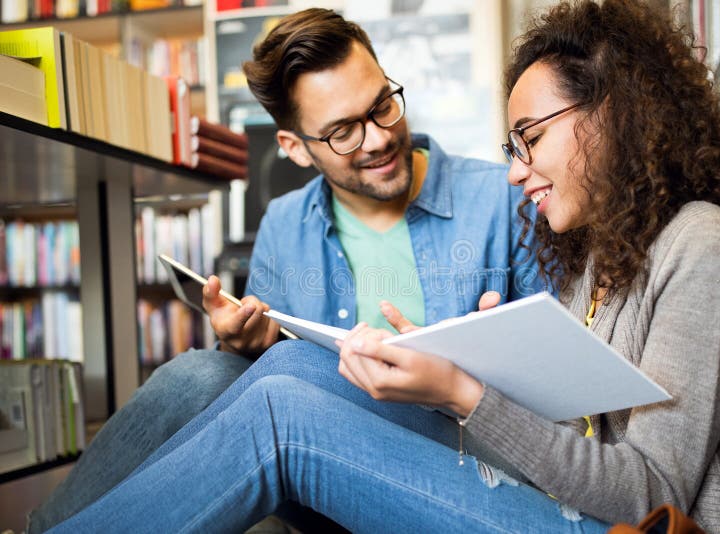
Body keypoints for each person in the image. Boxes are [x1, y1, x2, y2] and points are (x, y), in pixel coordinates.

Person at [48, 0, 720, 532]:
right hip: (558, 493)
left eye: (530, 139)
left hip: (622, 519)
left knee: (281, 414)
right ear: (297, 147)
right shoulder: (606, 250)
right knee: (269, 371)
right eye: (512, 147)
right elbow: (580, 426)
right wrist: (482, 367)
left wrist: (465, 389)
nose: (516, 171)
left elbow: (648, 492)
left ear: (615, 114)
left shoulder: (707, 248)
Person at [27, 9, 542, 532]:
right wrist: (243, 346)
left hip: (462, 466)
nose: (378, 139)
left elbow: (564, 398)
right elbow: (248, 392)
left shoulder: (505, 198)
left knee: (286, 372)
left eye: (382, 105)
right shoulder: (285, 222)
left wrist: (488, 359)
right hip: (328, 468)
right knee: (203, 374)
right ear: (294, 148)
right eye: (343, 131)